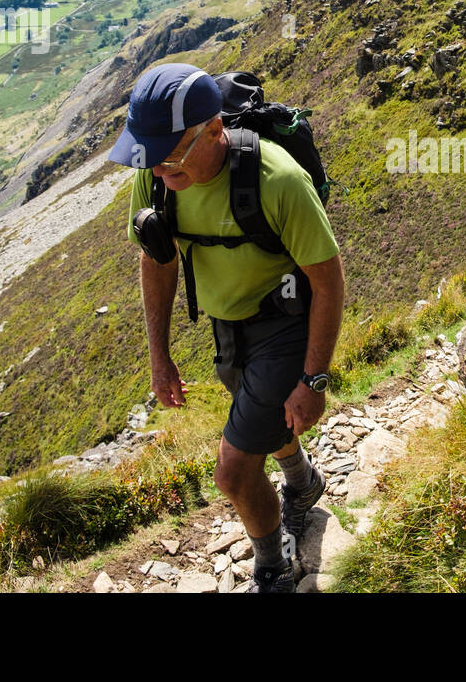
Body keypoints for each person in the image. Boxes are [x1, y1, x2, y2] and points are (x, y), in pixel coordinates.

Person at [110, 63, 344, 593]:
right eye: (149, 154)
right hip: (227, 326)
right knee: (259, 417)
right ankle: (303, 484)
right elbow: (158, 261)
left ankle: (273, 568)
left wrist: (314, 379)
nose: (157, 168)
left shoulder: (279, 180)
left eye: (171, 153)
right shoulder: (155, 178)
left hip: (286, 325)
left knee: (233, 473)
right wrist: (159, 355)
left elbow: (329, 283)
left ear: (214, 129)